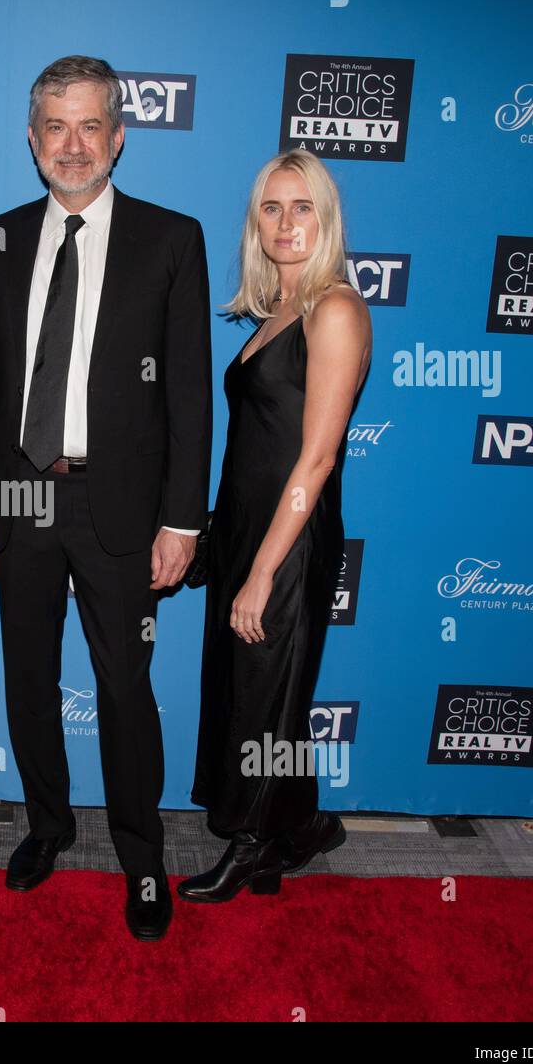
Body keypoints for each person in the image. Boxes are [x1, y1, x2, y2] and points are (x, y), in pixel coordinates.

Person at [0, 56, 212, 942]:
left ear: (119, 137)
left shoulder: (171, 239)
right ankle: (47, 826)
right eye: (55, 127)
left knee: (125, 691)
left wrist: (183, 518)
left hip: (122, 511)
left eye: (90, 125)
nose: (73, 144)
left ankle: (144, 858)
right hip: (19, 500)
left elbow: (187, 393)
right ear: (31, 140)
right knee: (28, 683)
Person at [179, 150, 371, 904]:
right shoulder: (277, 312)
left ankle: (257, 845)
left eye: (302, 208)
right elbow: (258, 439)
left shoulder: (336, 309)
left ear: (325, 219)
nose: (285, 224)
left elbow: (317, 458)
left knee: (266, 690)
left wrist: (263, 570)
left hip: (289, 541)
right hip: (247, 529)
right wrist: (221, 536)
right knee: (258, 688)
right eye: (271, 208)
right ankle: (303, 822)